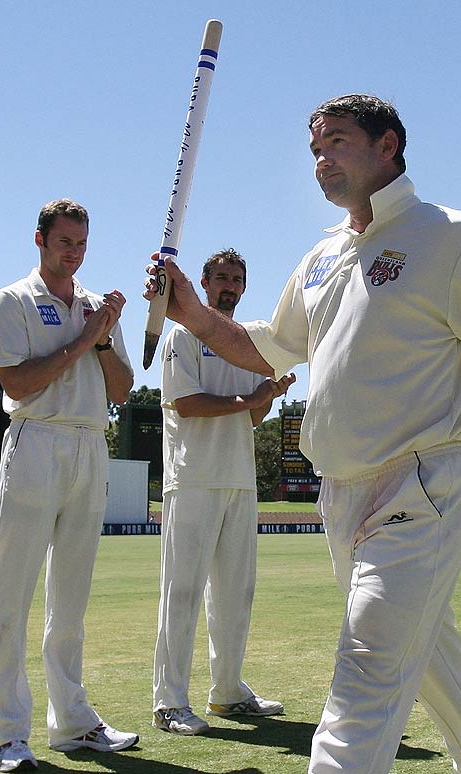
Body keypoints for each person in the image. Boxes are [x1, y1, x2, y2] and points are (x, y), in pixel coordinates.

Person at [144, 96, 461, 771]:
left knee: (365, 674)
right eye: (316, 149)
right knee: (433, 663)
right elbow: (269, 346)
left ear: (388, 146)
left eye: (338, 143)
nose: (322, 159)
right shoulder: (322, 255)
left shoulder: (452, 238)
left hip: (424, 487)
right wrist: (191, 312)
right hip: (341, 493)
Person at [0, 199, 138, 772]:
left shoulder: (97, 307)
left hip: (90, 443)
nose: (74, 252)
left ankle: (71, 722)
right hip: (35, 441)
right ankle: (7, 735)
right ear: (40, 240)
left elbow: (121, 390)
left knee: (70, 597)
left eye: (81, 243)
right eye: (64, 241)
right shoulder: (13, 300)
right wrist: (84, 338)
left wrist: (100, 338)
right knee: (11, 594)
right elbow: (18, 383)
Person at [151, 248, 295, 735]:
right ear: (204, 284)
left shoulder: (246, 341)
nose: (229, 286)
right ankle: (169, 702)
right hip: (192, 477)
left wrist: (267, 399)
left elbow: (252, 417)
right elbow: (186, 404)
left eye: (237, 278)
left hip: (238, 477)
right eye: (221, 279)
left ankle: (228, 692)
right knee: (183, 592)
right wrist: (250, 399)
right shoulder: (182, 333)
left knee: (236, 593)